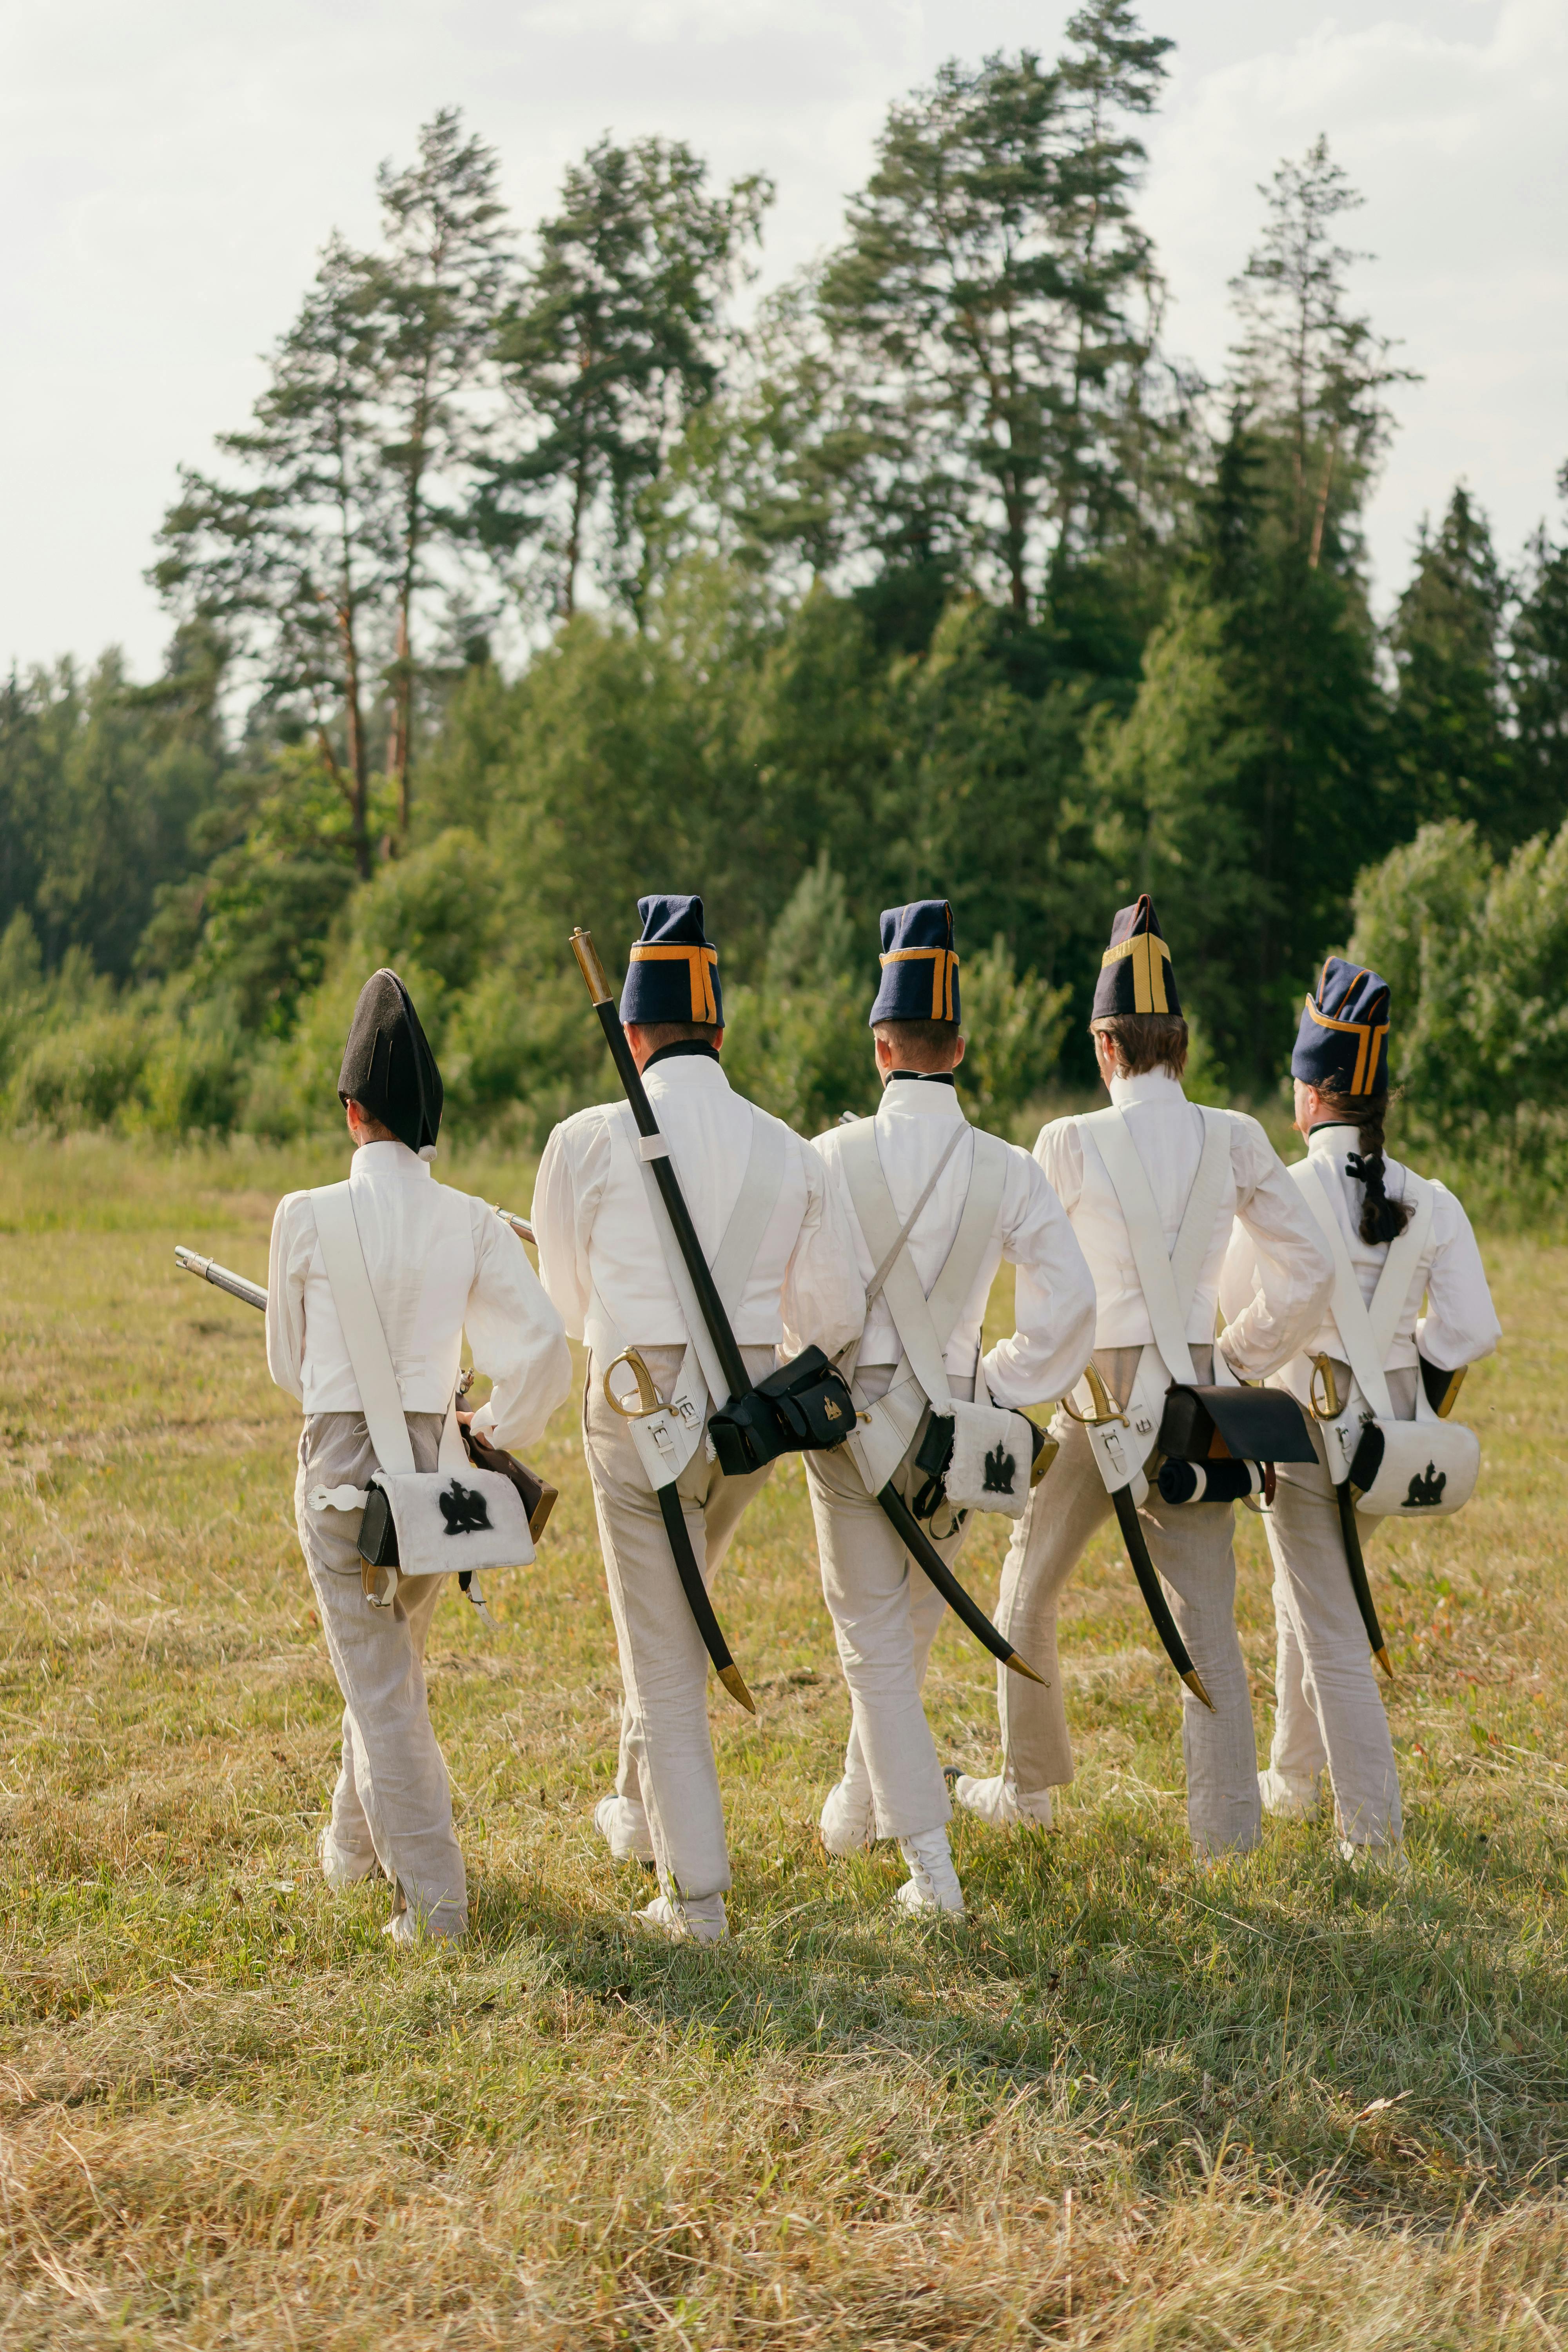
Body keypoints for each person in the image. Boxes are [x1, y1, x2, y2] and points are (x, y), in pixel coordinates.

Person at [953, 897, 1334, 1858]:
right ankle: (1226, 1835)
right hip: (1195, 1392)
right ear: (1180, 1044)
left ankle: (1027, 1789)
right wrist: (1235, 1359)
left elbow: (1041, 1292)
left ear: (1105, 1048)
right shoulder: (1239, 1133)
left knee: (1027, 1591)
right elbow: (1310, 1269)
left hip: (1093, 1395)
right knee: (1205, 1616)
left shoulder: (1065, 1141)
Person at [531, 894, 863, 1945]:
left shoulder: (586, 1138)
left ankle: (697, 1896)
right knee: (678, 1612)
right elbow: (838, 1314)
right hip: (751, 1420)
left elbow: (567, 1305)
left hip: (634, 1406)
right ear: (717, 1027)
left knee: (661, 1650)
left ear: (633, 1031)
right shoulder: (790, 1150)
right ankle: (638, 1813)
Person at [267, 969, 571, 1946]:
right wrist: (493, 1430)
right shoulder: (474, 1220)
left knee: (383, 1686)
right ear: (426, 1119)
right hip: (439, 1476)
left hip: (342, 1469)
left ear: (350, 1109)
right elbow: (542, 1354)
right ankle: (350, 1850)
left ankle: (435, 1903)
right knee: (387, 1669)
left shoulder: (303, 1214)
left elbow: (285, 1365)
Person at [806, 901, 1096, 1916]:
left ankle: (932, 1870)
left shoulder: (832, 1159)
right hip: (960, 1442)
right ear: (959, 1045)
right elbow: (1074, 1311)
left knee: (871, 1643)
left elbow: (806, 1301)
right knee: (905, 1635)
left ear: (881, 1044)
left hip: (855, 1438)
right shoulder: (1009, 1171)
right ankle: (854, 1807)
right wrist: (997, 1386)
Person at [1221, 957, 1500, 1862]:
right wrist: (1395, 1392)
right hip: (1390, 1445)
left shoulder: (1280, 1191)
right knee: (1312, 1597)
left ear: (1312, 1093)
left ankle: (1371, 1837)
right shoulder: (1433, 1199)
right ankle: (1294, 1777)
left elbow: (1239, 1318)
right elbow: (1464, 1332)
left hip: (1304, 1438)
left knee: (1330, 1628)